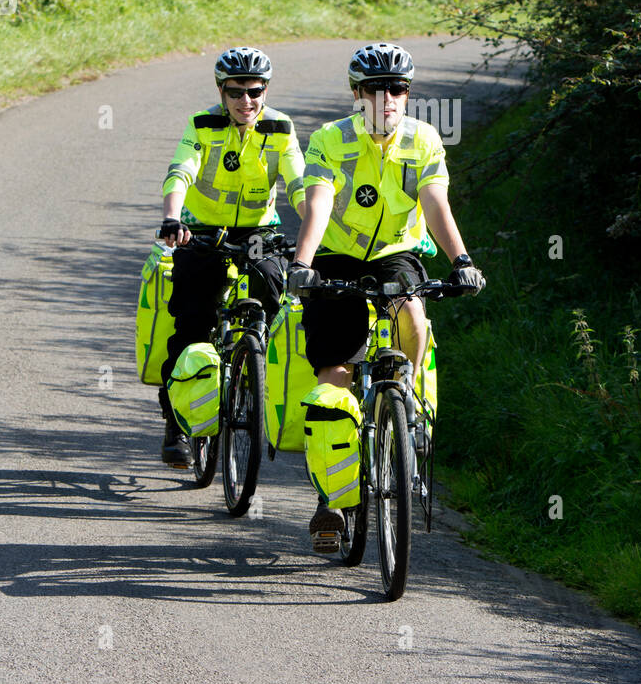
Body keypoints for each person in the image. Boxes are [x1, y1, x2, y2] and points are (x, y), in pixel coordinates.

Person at [287, 42, 484, 551]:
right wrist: (303, 264)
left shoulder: (423, 139)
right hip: (336, 257)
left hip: (396, 253)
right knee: (334, 379)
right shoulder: (330, 139)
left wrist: (461, 260)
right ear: (357, 93)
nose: (388, 97)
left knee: (413, 314)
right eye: (376, 89)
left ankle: (406, 402)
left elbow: (435, 201)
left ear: (407, 94)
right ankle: (330, 504)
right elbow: (319, 203)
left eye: (398, 88)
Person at [157, 46, 306, 466]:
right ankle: (176, 422)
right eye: (236, 92)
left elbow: (297, 181)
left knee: (277, 300)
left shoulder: (279, 126)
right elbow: (180, 171)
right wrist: (173, 219)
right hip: (201, 232)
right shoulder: (202, 125)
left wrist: (314, 222)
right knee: (193, 322)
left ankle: (262, 388)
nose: (246, 102)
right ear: (221, 91)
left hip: (259, 232)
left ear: (265, 90)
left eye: (255, 92)